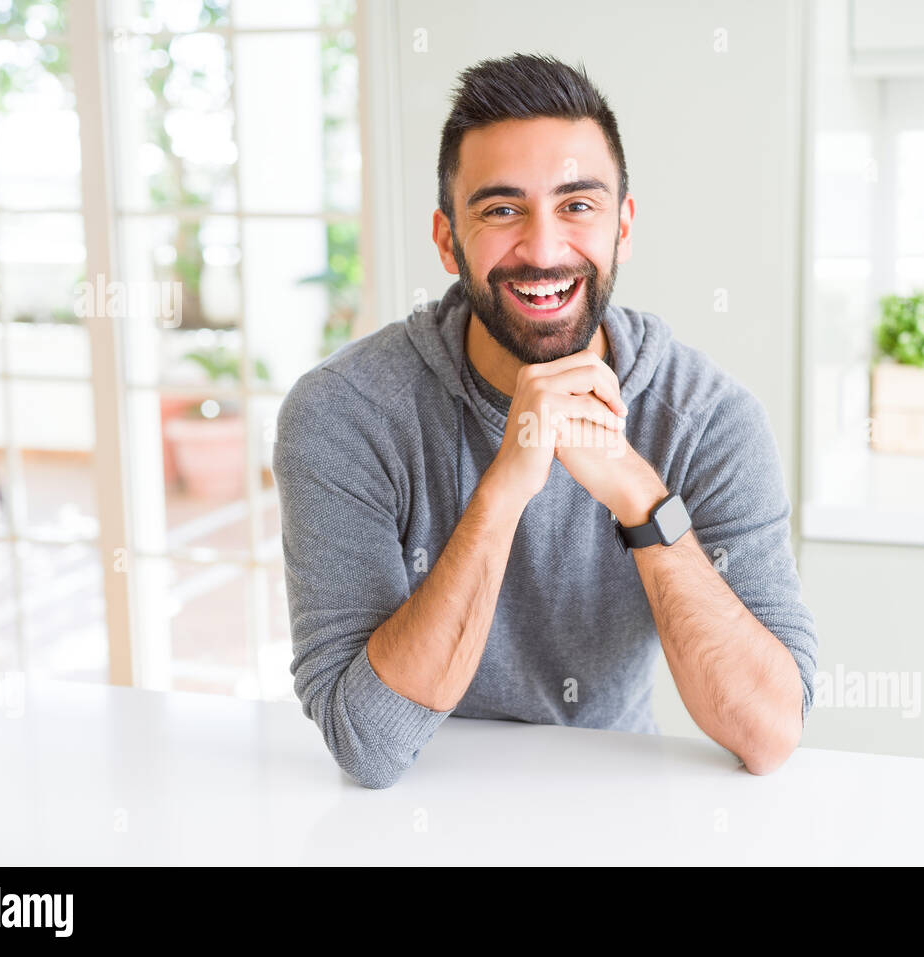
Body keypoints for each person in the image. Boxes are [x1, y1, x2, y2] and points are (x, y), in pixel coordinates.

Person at [274, 53, 818, 789]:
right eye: (501, 209)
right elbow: (368, 746)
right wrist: (503, 491)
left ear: (623, 225)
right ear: (446, 240)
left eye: (577, 205)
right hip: (406, 817)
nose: (543, 249)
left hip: (615, 804)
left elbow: (769, 731)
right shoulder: (344, 413)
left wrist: (641, 499)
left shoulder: (710, 418)